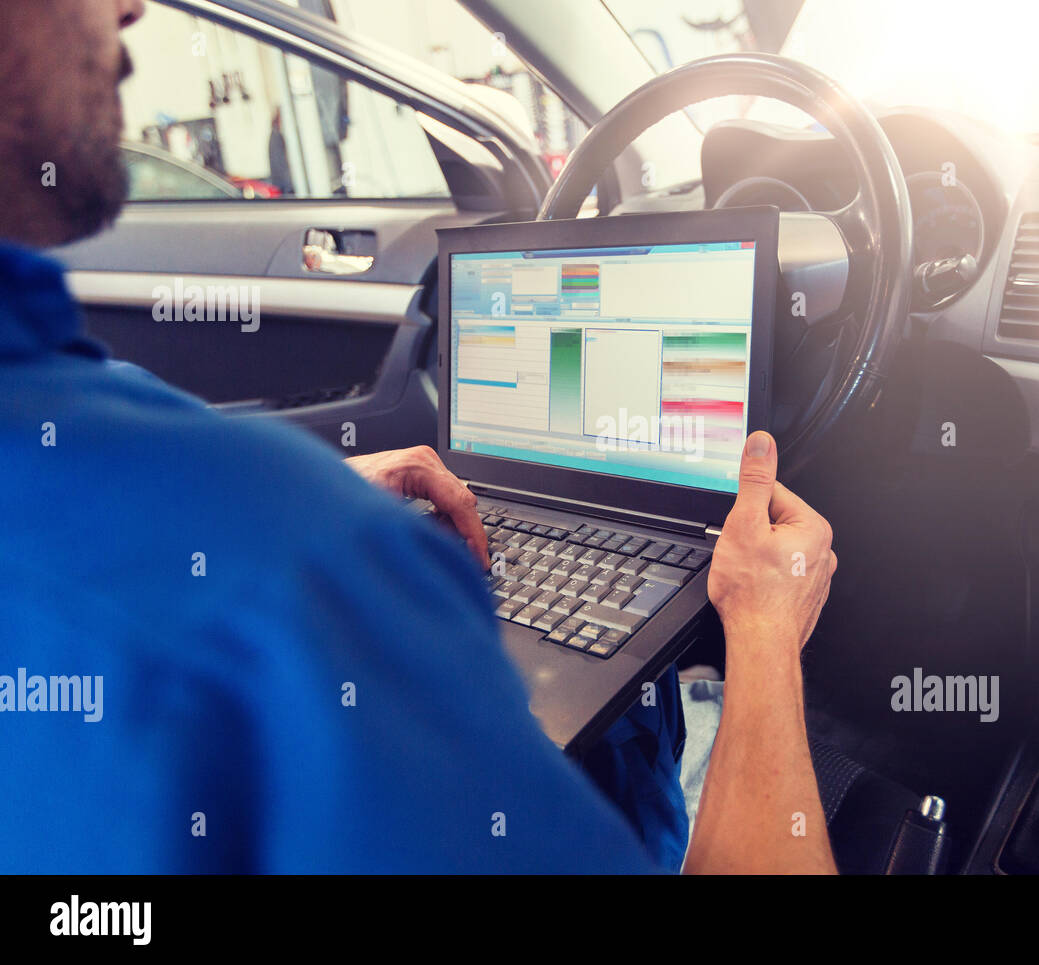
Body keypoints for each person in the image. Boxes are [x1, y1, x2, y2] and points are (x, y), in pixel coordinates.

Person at [0, 0, 838, 874]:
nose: (133, 5)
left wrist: (315, 503)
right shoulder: (291, 578)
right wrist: (765, 636)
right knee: (693, 725)